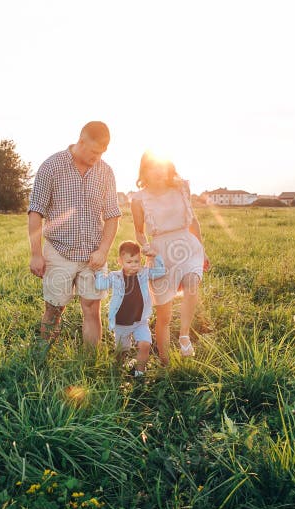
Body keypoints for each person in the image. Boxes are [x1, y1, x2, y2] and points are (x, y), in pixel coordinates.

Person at [27, 121, 121, 346]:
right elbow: (35, 212)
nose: (97, 158)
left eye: (102, 153)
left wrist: (103, 251)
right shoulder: (51, 166)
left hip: (93, 256)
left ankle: (90, 363)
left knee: (91, 308)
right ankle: (41, 359)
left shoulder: (105, 171)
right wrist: (36, 254)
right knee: (54, 309)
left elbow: (112, 216)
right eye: (94, 151)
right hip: (59, 252)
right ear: (81, 141)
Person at [131, 151, 209, 364]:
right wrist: (145, 246)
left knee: (192, 283)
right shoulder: (138, 199)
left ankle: (184, 335)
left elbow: (193, 222)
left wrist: (203, 251)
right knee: (164, 315)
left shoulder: (180, 189)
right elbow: (139, 231)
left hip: (187, 246)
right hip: (160, 253)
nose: (157, 172)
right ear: (144, 171)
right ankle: (165, 363)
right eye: (152, 168)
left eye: (161, 167)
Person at [95, 241, 166, 377]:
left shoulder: (144, 273)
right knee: (121, 352)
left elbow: (161, 271)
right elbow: (100, 285)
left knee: (145, 344)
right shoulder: (114, 277)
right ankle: (117, 371)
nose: (134, 265)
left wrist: (155, 256)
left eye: (137, 261)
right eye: (129, 262)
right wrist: (99, 268)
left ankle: (139, 374)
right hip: (121, 323)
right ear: (120, 261)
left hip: (140, 321)